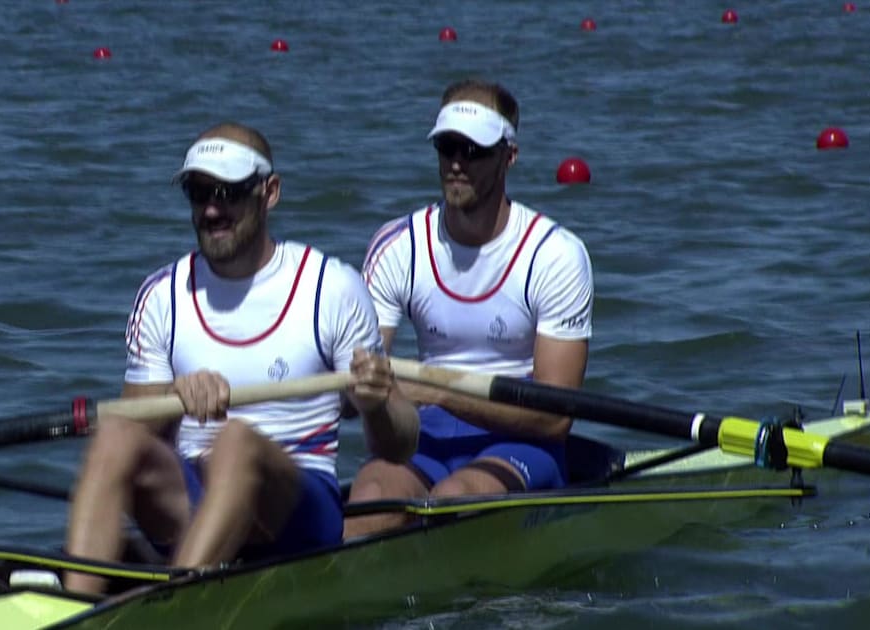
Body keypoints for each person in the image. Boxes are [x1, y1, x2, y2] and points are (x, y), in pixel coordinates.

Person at [64, 122, 419, 593]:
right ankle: (76, 608)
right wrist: (174, 396)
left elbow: (399, 446)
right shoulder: (161, 295)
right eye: (198, 192)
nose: (211, 209)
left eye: (227, 192)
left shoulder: (331, 287)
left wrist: (376, 402)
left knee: (235, 441)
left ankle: (178, 608)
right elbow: (138, 432)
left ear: (269, 192)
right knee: (113, 436)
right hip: (192, 495)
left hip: (297, 510)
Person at [343, 80, 594, 538]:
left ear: (509, 156)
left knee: (454, 502)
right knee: (368, 504)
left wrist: (440, 391)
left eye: (473, 150)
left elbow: (556, 417)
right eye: (447, 146)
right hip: (422, 434)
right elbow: (359, 378)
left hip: (521, 439)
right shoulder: (398, 246)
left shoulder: (555, 254)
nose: (457, 163)